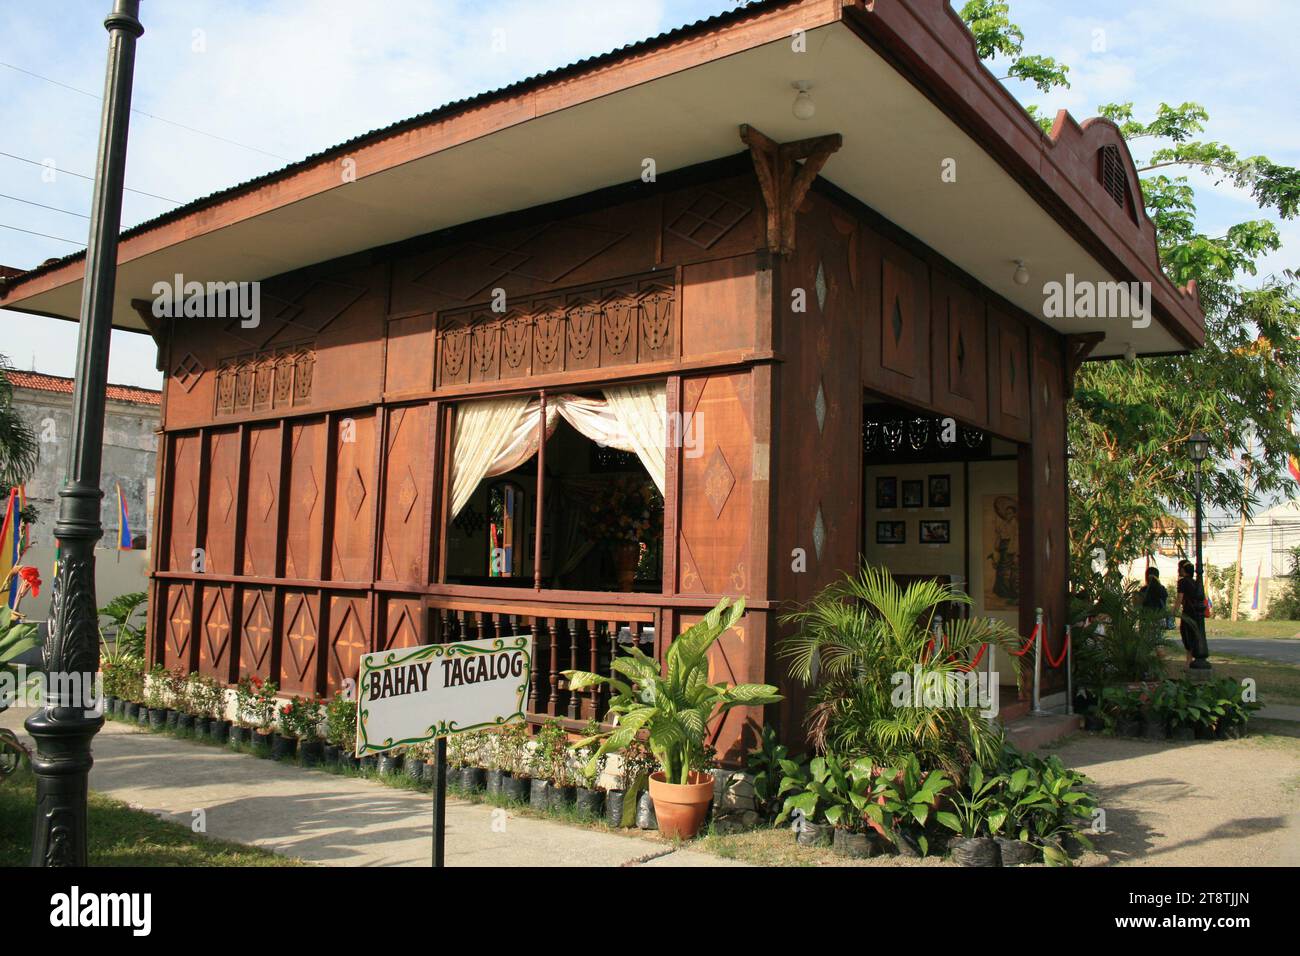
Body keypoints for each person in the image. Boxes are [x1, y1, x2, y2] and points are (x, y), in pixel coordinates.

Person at [1176, 559, 1205, 667]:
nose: (1178, 570)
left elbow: (1179, 598)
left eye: (1179, 568)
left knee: (1186, 635)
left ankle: (1188, 661)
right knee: (1192, 636)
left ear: (1183, 570)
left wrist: (1174, 611)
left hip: (1188, 612)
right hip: (1196, 613)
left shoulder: (1183, 582)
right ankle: (1189, 661)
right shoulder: (1195, 582)